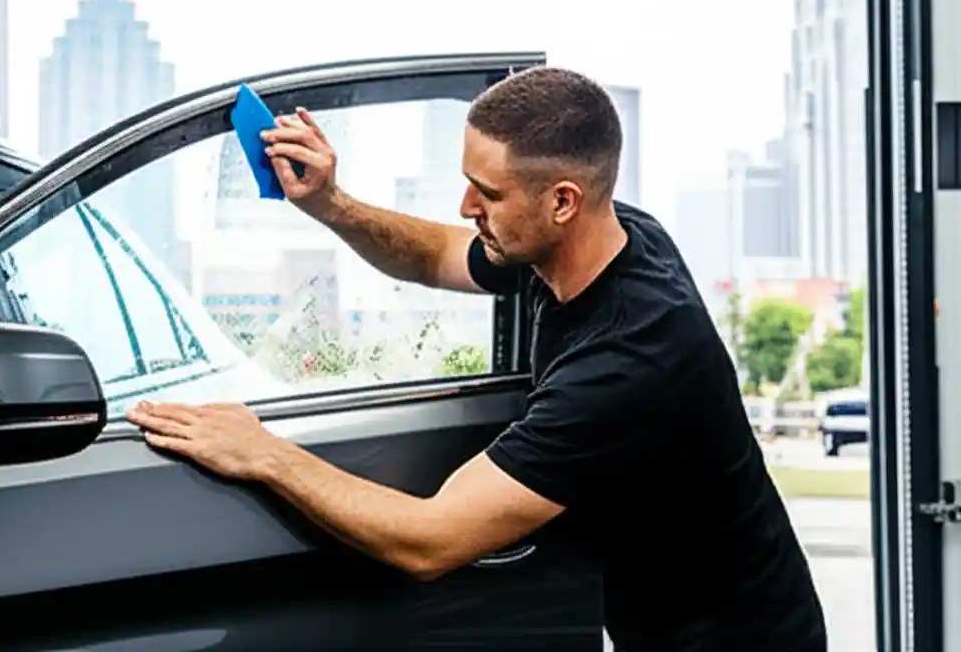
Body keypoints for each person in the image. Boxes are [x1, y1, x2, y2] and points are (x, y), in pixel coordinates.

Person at [127, 67, 827, 651]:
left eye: (486, 193)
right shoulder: (596, 238)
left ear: (562, 202)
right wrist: (329, 202)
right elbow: (432, 254)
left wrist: (263, 452)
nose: (466, 207)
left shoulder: (631, 362)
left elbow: (430, 542)